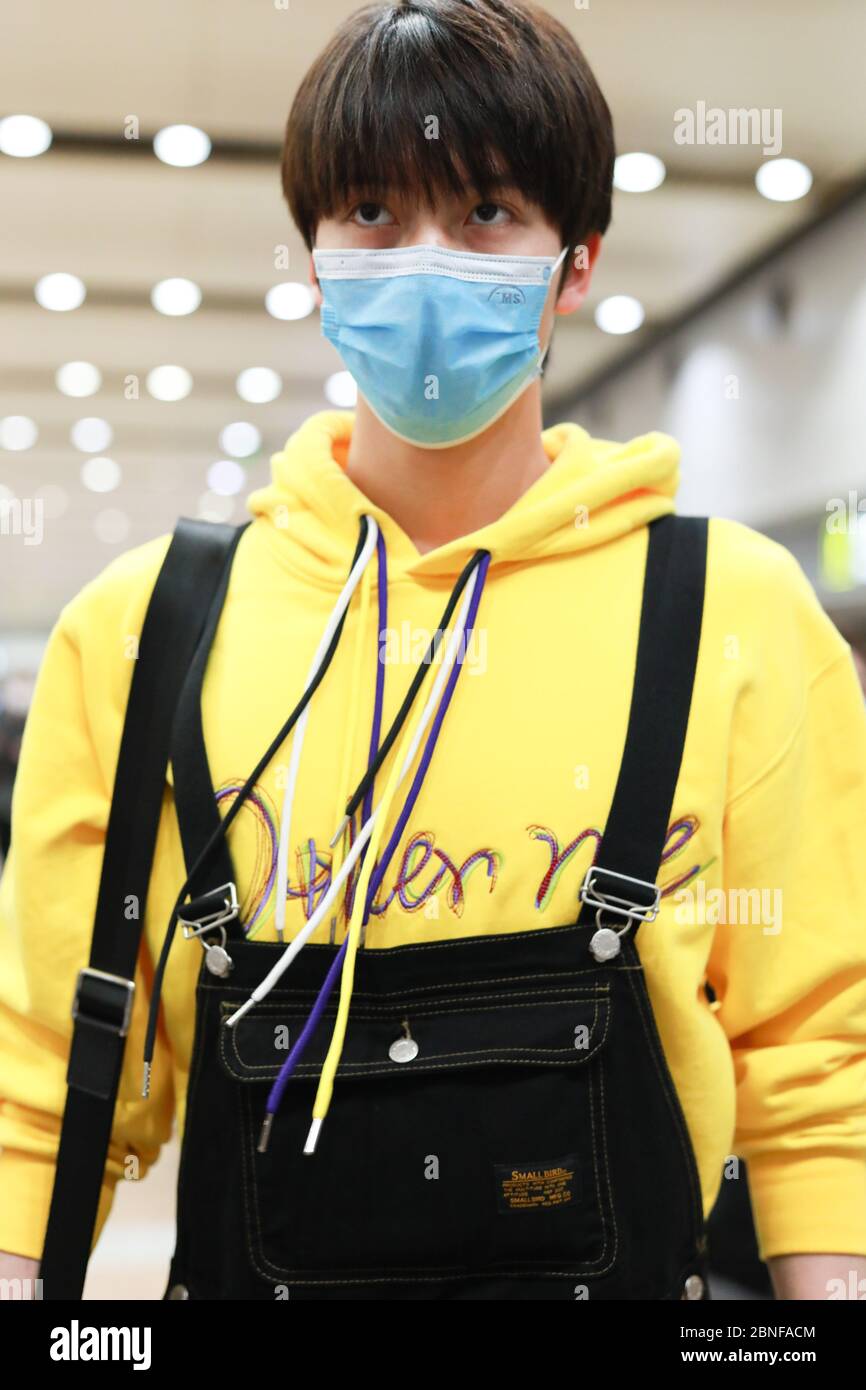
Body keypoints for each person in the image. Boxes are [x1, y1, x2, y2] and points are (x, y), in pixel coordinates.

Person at [1, 0, 865, 1302]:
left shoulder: (730, 612)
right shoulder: (143, 630)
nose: (420, 260)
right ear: (310, 259)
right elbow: (44, 1072)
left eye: (481, 215)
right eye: (368, 214)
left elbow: (813, 1062)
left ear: (575, 262)